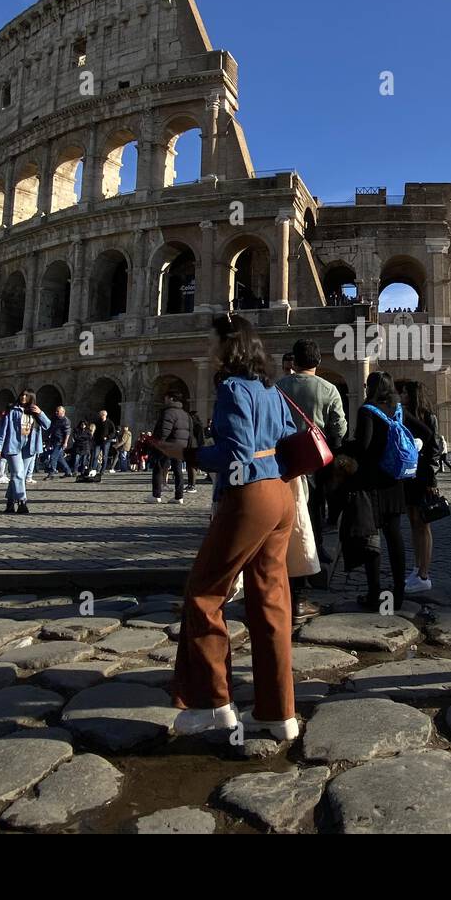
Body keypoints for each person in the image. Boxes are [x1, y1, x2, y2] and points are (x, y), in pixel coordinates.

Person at [172, 313, 298, 740]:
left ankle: (213, 704)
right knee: (271, 602)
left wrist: (191, 456)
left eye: (213, 341)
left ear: (228, 346)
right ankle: (279, 713)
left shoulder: (231, 388)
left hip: (250, 496)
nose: (209, 348)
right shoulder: (271, 389)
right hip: (283, 494)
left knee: (204, 593)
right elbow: (286, 436)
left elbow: (235, 453)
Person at [337, 370, 411, 611]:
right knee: (395, 536)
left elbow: (364, 447)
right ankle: (398, 595)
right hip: (395, 481)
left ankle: (374, 594)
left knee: (372, 538)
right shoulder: (397, 410)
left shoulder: (368, 411)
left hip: (372, 483)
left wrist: (345, 447)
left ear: (370, 387)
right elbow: (425, 433)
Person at [277, 339, 348, 577]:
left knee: (287, 508)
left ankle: (284, 553)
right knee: (315, 507)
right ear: (318, 360)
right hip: (315, 459)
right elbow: (339, 428)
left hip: (284, 457)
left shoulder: (277, 387)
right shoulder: (329, 389)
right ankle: (315, 551)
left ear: (294, 362)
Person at [398, 380, 442, 594]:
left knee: (423, 524)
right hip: (409, 476)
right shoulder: (404, 416)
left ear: (413, 394)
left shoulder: (428, 417)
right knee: (414, 522)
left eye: (405, 392)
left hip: (423, 476)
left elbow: (434, 450)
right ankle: (416, 568)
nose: (402, 395)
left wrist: (432, 481)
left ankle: (425, 574)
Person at [0, 389, 50, 514]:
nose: (23, 397)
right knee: (18, 473)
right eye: (22, 395)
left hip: (29, 447)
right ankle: (22, 501)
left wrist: (40, 413)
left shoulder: (35, 411)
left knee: (18, 476)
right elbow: (3, 430)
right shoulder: (12, 411)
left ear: (31, 397)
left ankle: (9, 503)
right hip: (14, 445)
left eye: (26, 395)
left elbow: (47, 425)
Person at [150, 393, 192, 504]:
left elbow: (164, 430)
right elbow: (189, 432)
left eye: (166, 397)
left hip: (168, 445)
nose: (164, 399)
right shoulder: (185, 414)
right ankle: (179, 497)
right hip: (180, 446)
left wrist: (158, 444)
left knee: (158, 468)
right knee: (178, 471)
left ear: (171, 398)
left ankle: (156, 495)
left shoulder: (168, 412)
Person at [44, 406, 73, 478]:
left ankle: (52, 472)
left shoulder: (66, 420)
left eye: (58, 411)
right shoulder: (54, 419)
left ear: (63, 412)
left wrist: (65, 442)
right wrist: (48, 440)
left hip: (60, 442)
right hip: (54, 440)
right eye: (56, 411)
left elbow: (67, 432)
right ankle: (68, 471)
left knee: (53, 456)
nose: (56, 412)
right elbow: (51, 429)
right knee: (60, 458)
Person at [93, 409, 116, 477]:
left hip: (106, 442)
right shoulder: (98, 422)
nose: (101, 416)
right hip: (98, 441)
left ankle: (102, 470)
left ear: (105, 415)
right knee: (95, 456)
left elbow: (113, 432)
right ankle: (94, 469)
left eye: (102, 415)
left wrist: (108, 437)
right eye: (100, 415)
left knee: (104, 456)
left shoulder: (110, 423)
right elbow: (95, 431)